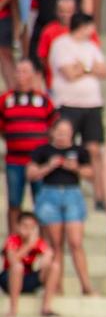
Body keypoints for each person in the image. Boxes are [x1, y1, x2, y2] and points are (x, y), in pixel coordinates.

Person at [27, 118, 92, 312]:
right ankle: (57, 286)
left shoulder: (80, 151)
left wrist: (76, 168)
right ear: (52, 132)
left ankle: (86, 286)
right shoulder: (43, 151)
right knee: (55, 244)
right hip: (50, 195)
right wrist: (50, 165)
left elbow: (90, 173)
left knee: (75, 242)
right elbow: (31, 173)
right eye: (59, 131)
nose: (63, 135)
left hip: (72, 194)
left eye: (66, 132)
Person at [47, 13, 106, 208]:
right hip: (68, 103)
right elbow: (69, 74)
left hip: (92, 105)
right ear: (82, 26)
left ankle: (99, 195)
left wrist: (84, 68)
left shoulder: (91, 46)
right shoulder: (61, 44)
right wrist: (91, 69)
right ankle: (63, 189)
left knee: (95, 150)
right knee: (64, 147)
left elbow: (104, 71)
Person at [1, 59, 56, 230]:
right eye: (18, 71)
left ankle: (40, 242)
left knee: (41, 201)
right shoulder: (6, 100)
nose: (21, 76)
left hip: (38, 162)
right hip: (14, 160)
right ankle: (13, 240)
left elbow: (53, 126)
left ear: (34, 75)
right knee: (14, 202)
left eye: (25, 71)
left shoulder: (44, 100)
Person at [2, 210, 49, 317]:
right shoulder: (12, 240)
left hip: (27, 279)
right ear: (18, 226)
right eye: (25, 226)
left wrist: (46, 258)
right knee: (17, 267)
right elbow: (12, 261)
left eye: (31, 226)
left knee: (54, 267)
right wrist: (28, 245)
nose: (28, 229)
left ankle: (46, 307)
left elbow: (48, 254)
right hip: (9, 278)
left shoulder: (37, 241)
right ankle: (13, 309)